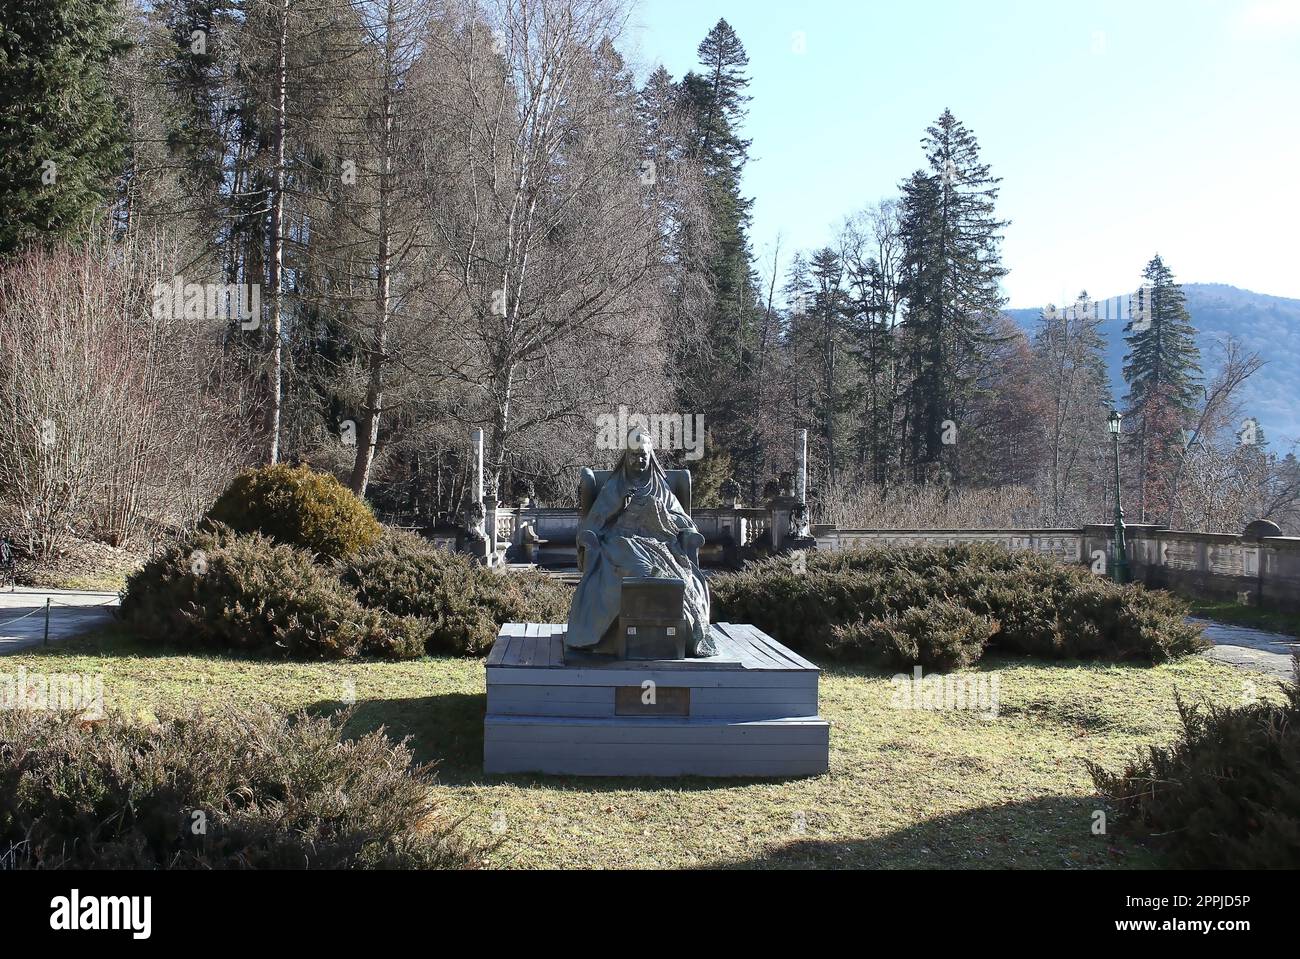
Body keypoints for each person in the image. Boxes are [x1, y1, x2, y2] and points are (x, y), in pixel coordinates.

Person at [566, 431, 714, 656]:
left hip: (659, 542)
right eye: (634, 455)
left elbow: (682, 520)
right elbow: (593, 523)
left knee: (681, 577)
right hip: (620, 541)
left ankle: (671, 635)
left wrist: (658, 510)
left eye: (643, 455)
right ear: (626, 456)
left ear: (650, 455)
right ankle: (615, 638)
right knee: (635, 567)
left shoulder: (660, 487)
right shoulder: (614, 487)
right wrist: (619, 507)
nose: (639, 460)